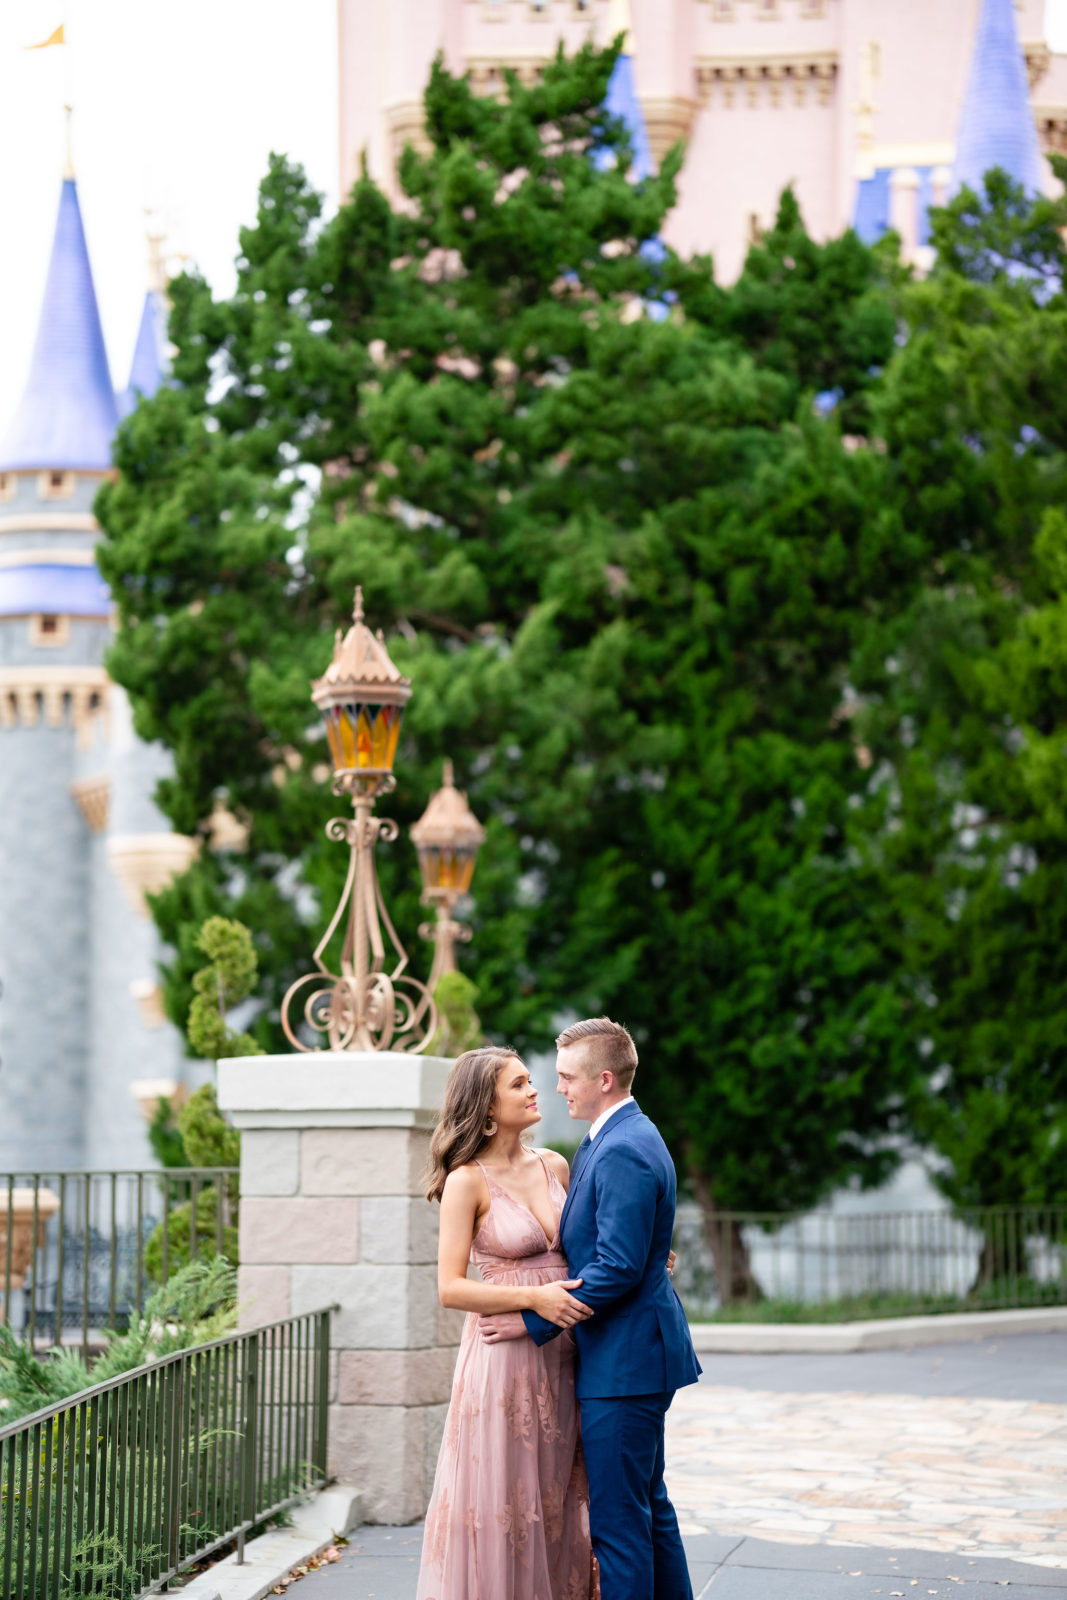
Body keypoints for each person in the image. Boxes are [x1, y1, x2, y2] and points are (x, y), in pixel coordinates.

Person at [482, 1017, 702, 1600]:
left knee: (618, 1523)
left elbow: (619, 1266)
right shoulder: (616, 1135)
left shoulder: (622, 1146)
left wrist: (532, 1316)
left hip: (625, 1361)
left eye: (567, 1077)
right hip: (633, 1354)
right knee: (648, 1507)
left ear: (604, 1079)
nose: (557, 1088)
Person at [416, 1044, 600, 1600]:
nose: (534, 1089)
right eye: (518, 1084)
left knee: (558, 1492)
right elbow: (450, 1288)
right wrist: (533, 1300)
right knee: (508, 1499)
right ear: (487, 1107)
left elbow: (586, 1251)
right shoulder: (466, 1181)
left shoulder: (555, 1165)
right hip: (503, 1362)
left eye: (529, 1080)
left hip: (563, 1351)